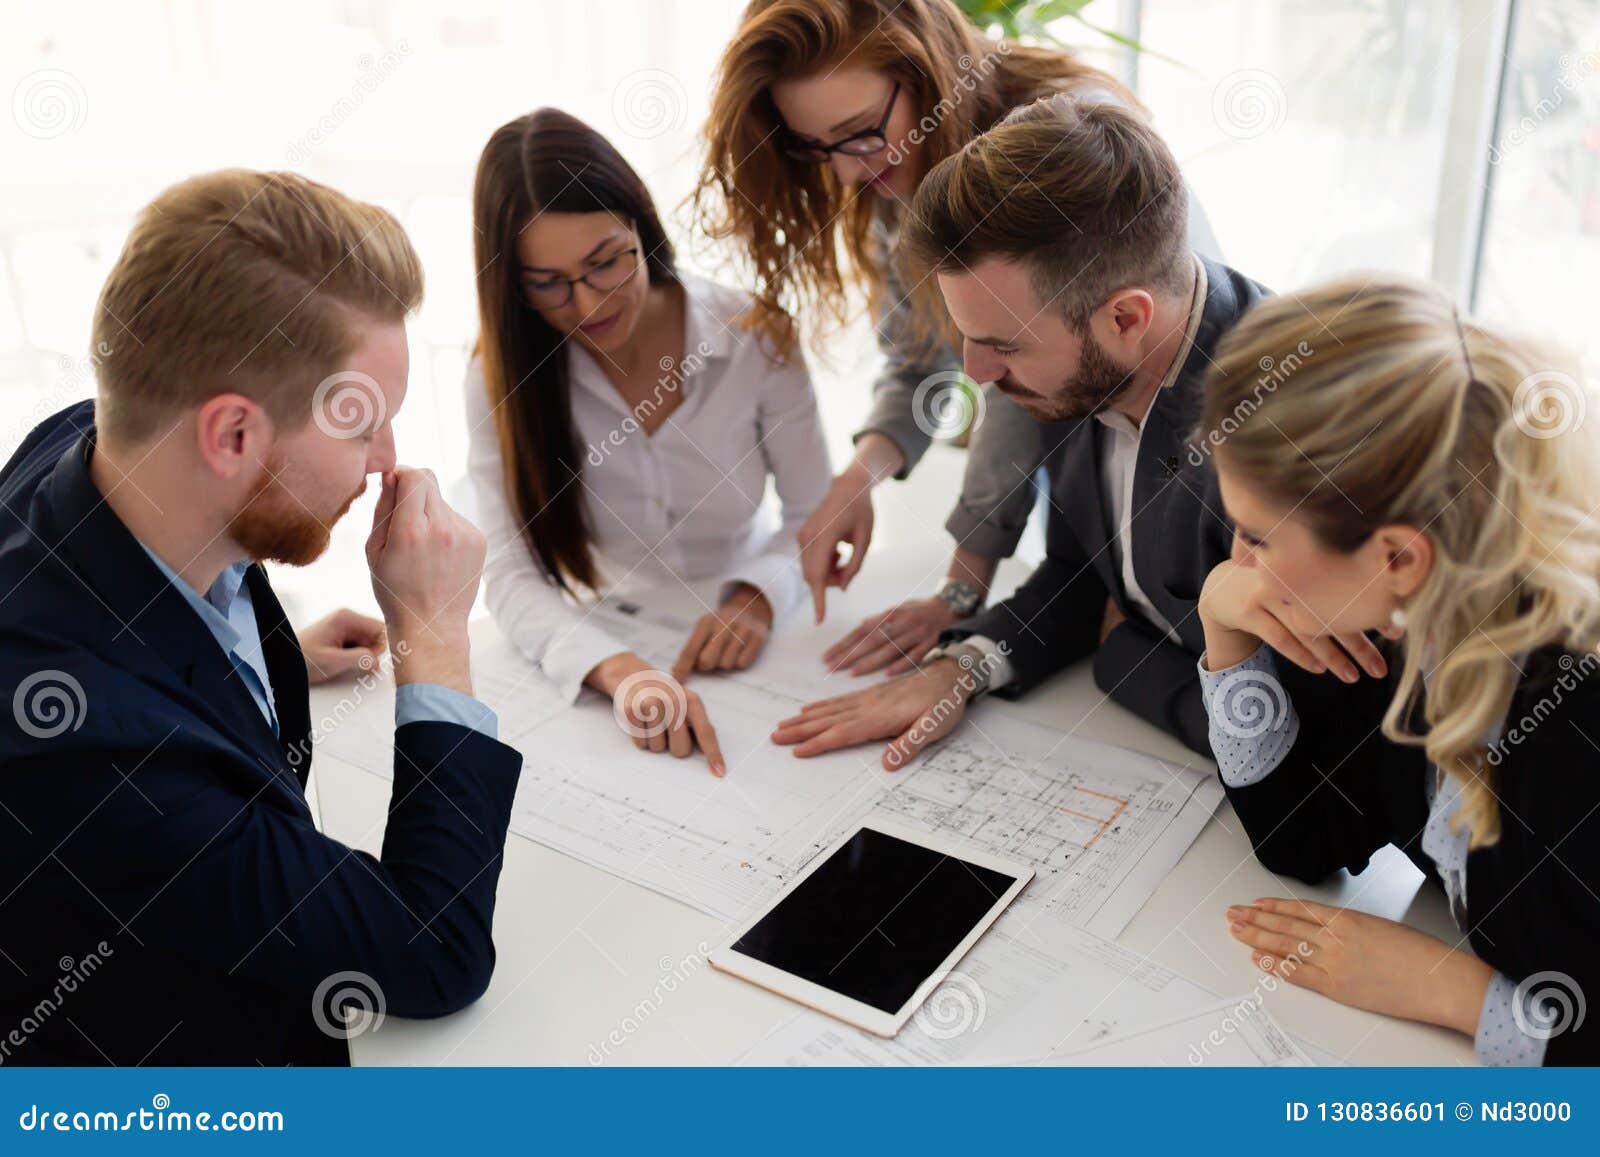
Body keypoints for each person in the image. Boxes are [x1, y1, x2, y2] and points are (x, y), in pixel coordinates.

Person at [0, 171, 523, 1064]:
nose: (387, 460)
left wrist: (250, 663)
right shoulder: (95, 753)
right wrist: (431, 636)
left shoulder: (101, 441)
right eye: (363, 423)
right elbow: (433, 951)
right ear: (232, 435)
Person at [694, 0, 1222, 674]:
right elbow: (920, 361)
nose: (850, 172)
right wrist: (858, 477)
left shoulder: (1068, 144)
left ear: (924, 67)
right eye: (816, 149)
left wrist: (960, 589)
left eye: (859, 133)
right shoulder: (898, 168)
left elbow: (1016, 379)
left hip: (1194, 477)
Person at [772, 95, 1299, 769]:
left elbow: (1293, 762)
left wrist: (1120, 656)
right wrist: (960, 666)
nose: (978, 374)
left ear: (1127, 319)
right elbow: (1081, 574)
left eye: (1003, 346)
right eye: (967, 338)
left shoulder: (1282, 432)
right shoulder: (1079, 365)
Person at [1193, 275, 1598, 1065]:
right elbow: (1302, 836)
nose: (1238, 561)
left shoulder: (1575, 724)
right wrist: (1223, 629)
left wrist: (1450, 991)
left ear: (1400, 554)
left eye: (1258, 538)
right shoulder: (1400, 621)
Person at [467, 109, 830, 776]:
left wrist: (755, 598)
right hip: (604, 637)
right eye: (547, 284)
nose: (586, 304)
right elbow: (511, 573)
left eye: (606, 261)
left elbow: (814, 513)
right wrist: (619, 671)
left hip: (762, 643)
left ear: (642, 224)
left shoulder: (756, 334)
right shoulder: (498, 377)